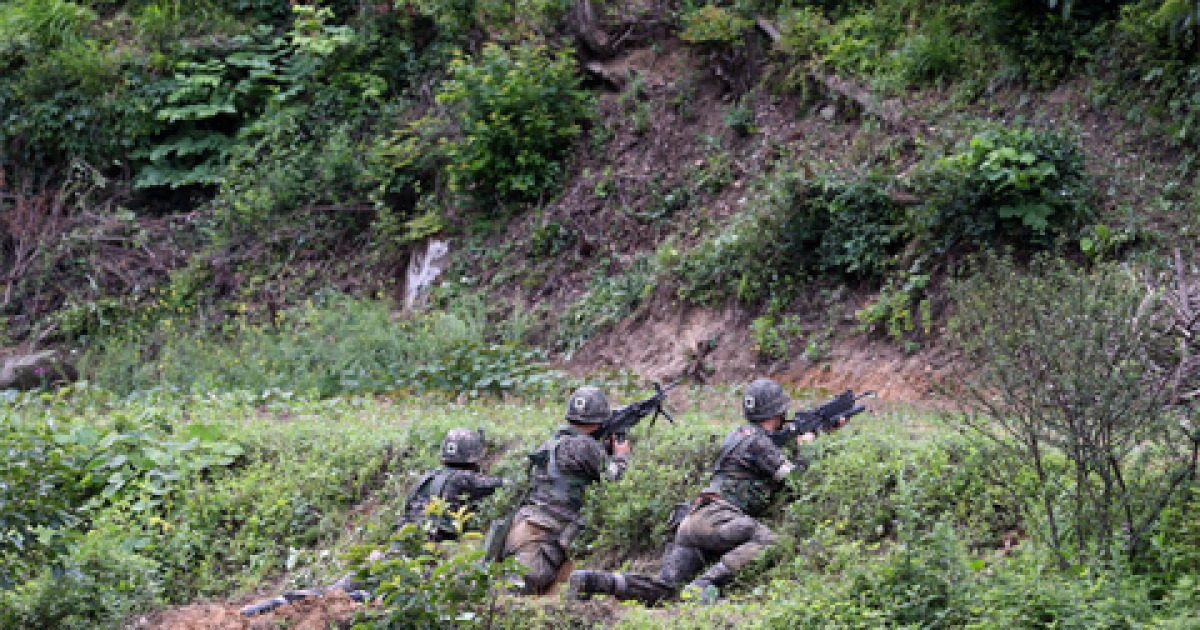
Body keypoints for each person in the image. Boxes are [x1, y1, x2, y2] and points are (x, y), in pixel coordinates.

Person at [568, 377, 844, 604]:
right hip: (718, 517)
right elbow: (793, 479)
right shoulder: (759, 443)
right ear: (776, 412)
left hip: (693, 519)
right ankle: (704, 586)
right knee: (769, 541)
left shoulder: (739, 436)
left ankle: (593, 580)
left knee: (664, 589)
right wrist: (810, 446)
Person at [241, 428, 505, 617]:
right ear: (472, 457)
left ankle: (267, 606)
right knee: (386, 597)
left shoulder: (427, 478)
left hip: (396, 545)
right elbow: (502, 485)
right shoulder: (464, 479)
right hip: (426, 554)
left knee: (333, 592)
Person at [501, 386, 631, 595]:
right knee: (514, 597)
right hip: (541, 534)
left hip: (525, 524)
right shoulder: (585, 445)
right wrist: (621, 456)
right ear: (600, 420)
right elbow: (613, 478)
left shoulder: (554, 441)